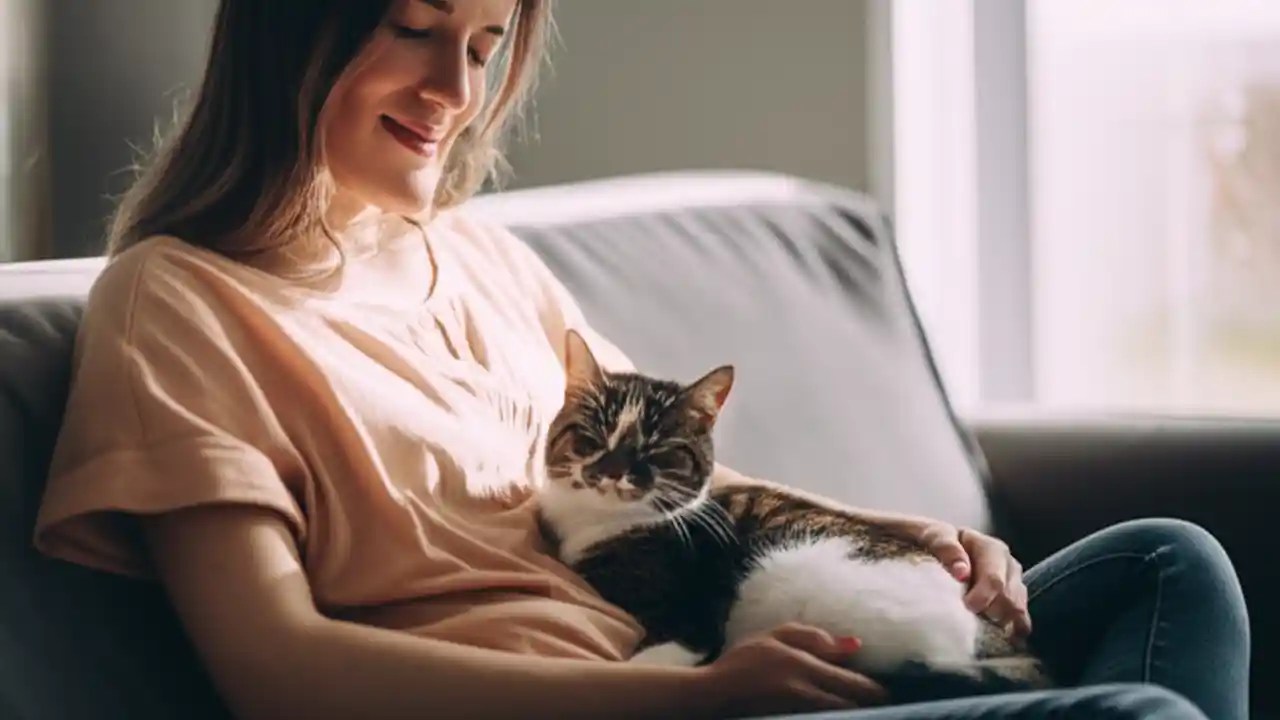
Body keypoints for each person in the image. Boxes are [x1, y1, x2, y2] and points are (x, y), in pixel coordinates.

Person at [33, 2, 1249, 719]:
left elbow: (676, 487)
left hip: (698, 658)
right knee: (1134, 714)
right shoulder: (179, 302)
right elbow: (275, 670)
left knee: (1164, 562)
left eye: (484, 44)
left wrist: (904, 529)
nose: (454, 88)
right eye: (413, 28)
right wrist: (691, 698)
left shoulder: (476, 255)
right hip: (638, 699)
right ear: (291, 31)